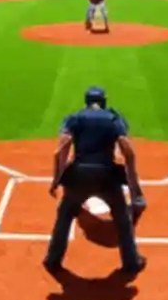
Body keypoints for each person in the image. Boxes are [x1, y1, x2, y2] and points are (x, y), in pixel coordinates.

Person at [44, 86, 148, 277]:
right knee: (123, 219)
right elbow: (128, 153)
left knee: (65, 216)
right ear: (104, 101)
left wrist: (56, 181)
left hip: (79, 176)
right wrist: (133, 187)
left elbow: (60, 152)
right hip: (106, 177)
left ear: (86, 101)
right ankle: (131, 261)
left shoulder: (74, 118)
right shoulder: (114, 118)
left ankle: (53, 259)